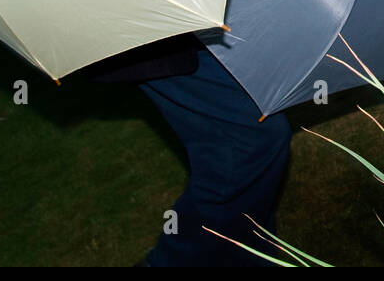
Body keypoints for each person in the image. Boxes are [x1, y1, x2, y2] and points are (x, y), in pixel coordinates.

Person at [87, 30, 291, 266]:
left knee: (252, 153)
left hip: (189, 24)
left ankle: (250, 256)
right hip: (143, 30)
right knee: (247, 143)